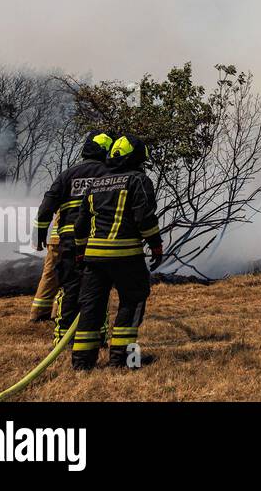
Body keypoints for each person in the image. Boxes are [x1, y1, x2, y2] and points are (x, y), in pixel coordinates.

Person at [72, 135, 163, 370]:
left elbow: (81, 223)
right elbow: (144, 217)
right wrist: (155, 244)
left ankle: (82, 363)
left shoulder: (96, 183)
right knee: (132, 303)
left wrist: (81, 250)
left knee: (91, 308)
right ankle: (122, 359)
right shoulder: (138, 180)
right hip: (126, 256)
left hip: (94, 259)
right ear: (137, 157)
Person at [33, 130, 113, 343]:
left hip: (68, 241)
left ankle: (62, 338)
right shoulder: (110, 174)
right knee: (98, 289)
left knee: (69, 288)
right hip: (99, 239)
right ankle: (98, 335)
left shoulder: (68, 175)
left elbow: (46, 207)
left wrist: (41, 232)